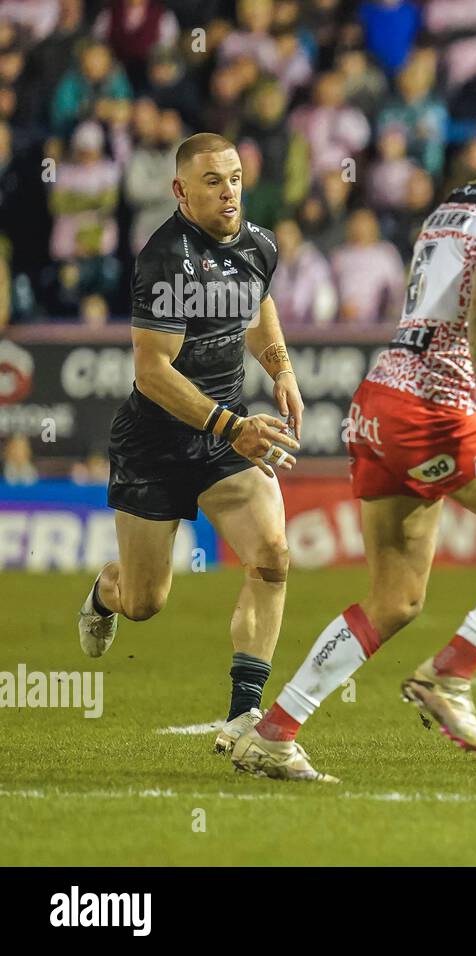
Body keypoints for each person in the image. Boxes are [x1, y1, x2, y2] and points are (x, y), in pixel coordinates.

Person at [233, 83, 476, 782]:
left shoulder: (450, 207)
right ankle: (451, 674)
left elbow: (444, 326)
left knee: (397, 599)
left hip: (378, 403)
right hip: (437, 414)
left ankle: (275, 729)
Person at [76, 132, 306, 760]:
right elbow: (152, 371)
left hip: (225, 439)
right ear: (179, 190)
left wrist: (281, 370)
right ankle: (105, 590)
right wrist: (234, 426)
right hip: (156, 444)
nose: (228, 189)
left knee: (273, 556)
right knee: (145, 603)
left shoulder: (258, 244)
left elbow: (256, 312)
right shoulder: (164, 259)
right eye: (212, 180)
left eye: (234, 176)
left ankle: (244, 716)